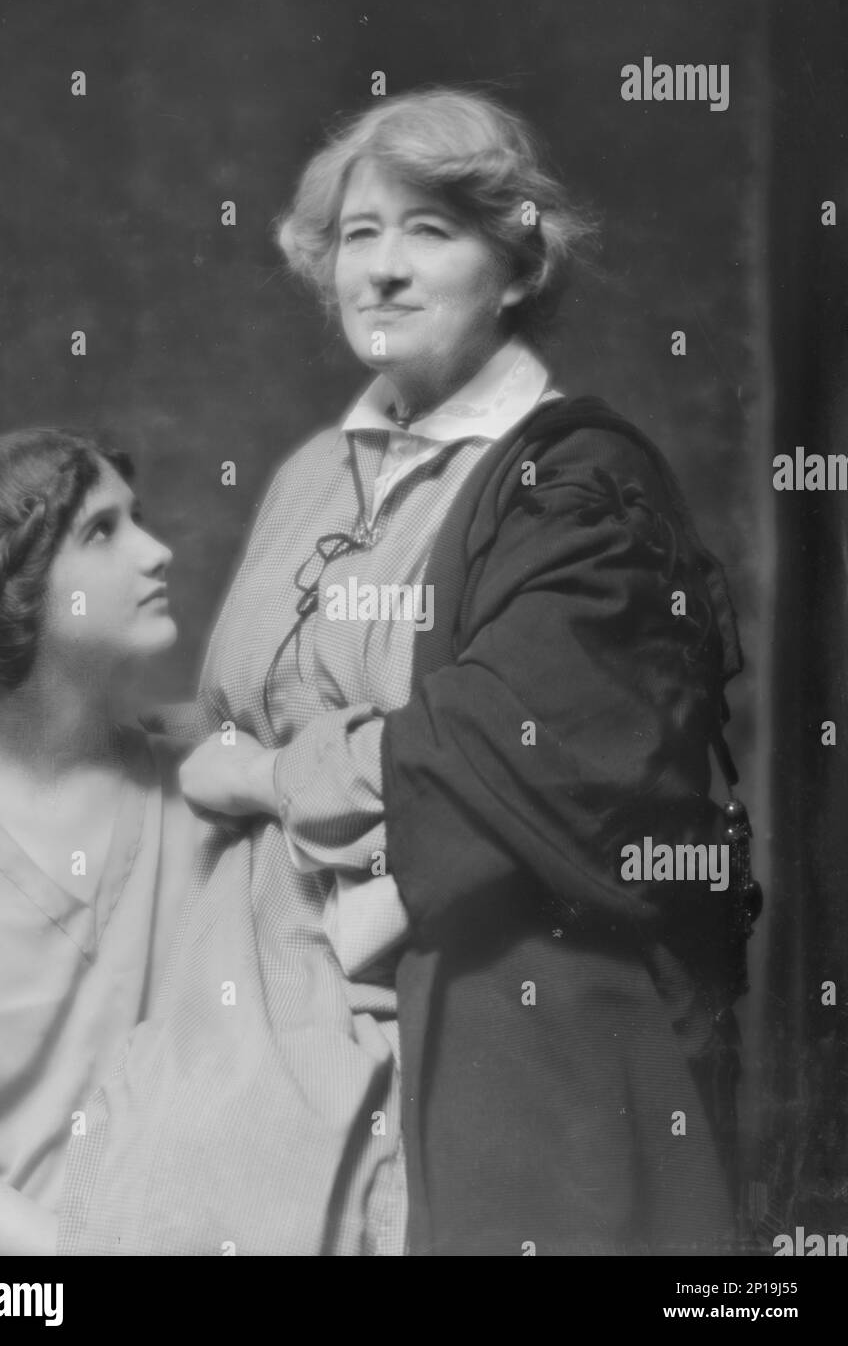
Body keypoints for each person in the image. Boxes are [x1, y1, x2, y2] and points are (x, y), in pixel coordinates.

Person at [57, 87, 756, 1256]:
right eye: (357, 236)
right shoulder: (311, 477)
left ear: (519, 267)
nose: (379, 270)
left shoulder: (580, 490)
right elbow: (248, 714)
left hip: (448, 1024)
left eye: (430, 232)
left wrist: (267, 782)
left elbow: (495, 767)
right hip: (233, 1019)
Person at [0, 429, 198, 1254]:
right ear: (18, 585)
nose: (159, 551)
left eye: (137, 516)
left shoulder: (207, 782)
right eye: (103, 531)